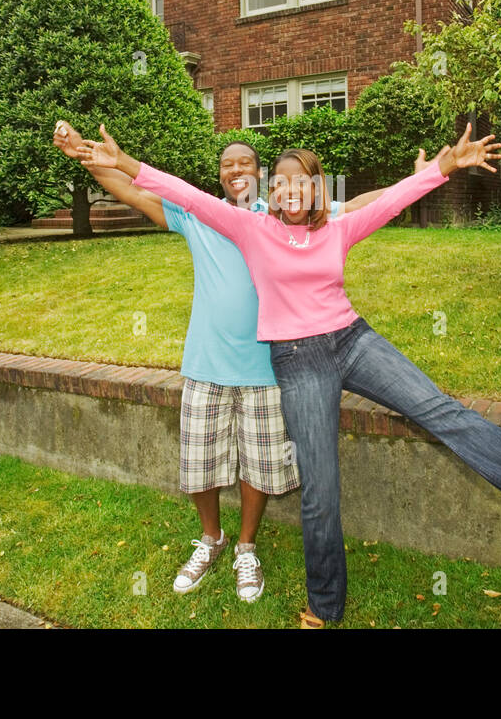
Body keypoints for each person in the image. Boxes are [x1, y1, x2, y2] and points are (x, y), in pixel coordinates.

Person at [73, 122, 501, 628]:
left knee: (443, 412)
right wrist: (120, 163)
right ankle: (325, 609)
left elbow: (393, 200)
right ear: (272, 192)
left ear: (315, 190)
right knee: (321, 490)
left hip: (352, 340)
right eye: (280, 182)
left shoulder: (336, 229)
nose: (289, 191)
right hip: (296, 362)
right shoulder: (252, 230)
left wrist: (446, 166)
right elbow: (183, 194)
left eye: (300, 181)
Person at [53, 121, 399, 602]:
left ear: (260, 173)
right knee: (200, 464)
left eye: (245, 163)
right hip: (206, 365)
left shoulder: (284, 214)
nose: (236, 170)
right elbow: (131, 190)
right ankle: (210, 537)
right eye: (226, 164)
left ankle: (245, 546)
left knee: (258, 465)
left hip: (265, 369)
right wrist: (83, 157)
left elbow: (357, 206)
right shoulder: (198, 214)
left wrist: (417, 177)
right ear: (219, 175)